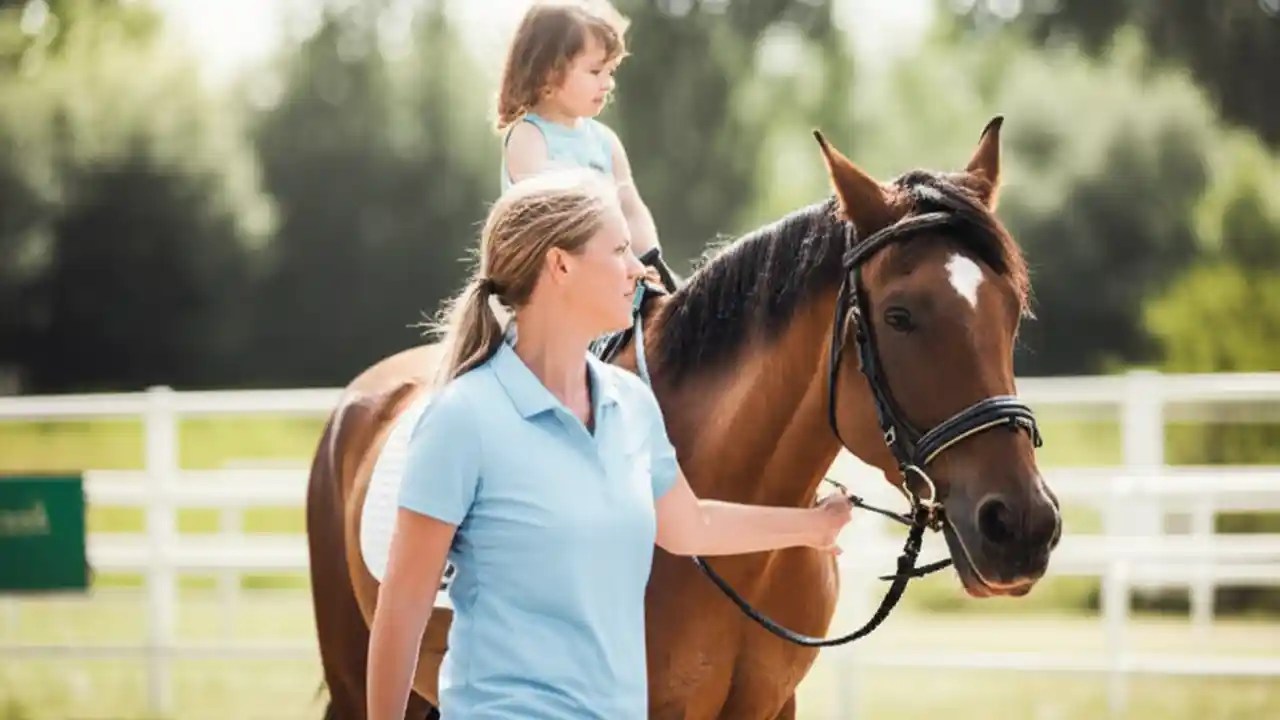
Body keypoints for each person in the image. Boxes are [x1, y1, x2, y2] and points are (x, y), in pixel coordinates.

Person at [366, 169, 854, 720]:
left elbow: (690, 526)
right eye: (619, 250)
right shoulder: (463, 419)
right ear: (560, 265)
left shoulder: (629, 404)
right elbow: (403, 610)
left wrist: (813, 527)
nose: (639, 269)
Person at [494, 0, 680, 291]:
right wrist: (618, 262)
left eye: (610, 71)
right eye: (595, 72)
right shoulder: (528, 138)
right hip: (551, 289)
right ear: (546, 74)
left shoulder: (606, 142)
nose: (608, 84)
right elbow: (552, 219)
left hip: (611, 280)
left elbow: (630, 209)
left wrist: (648, 259)